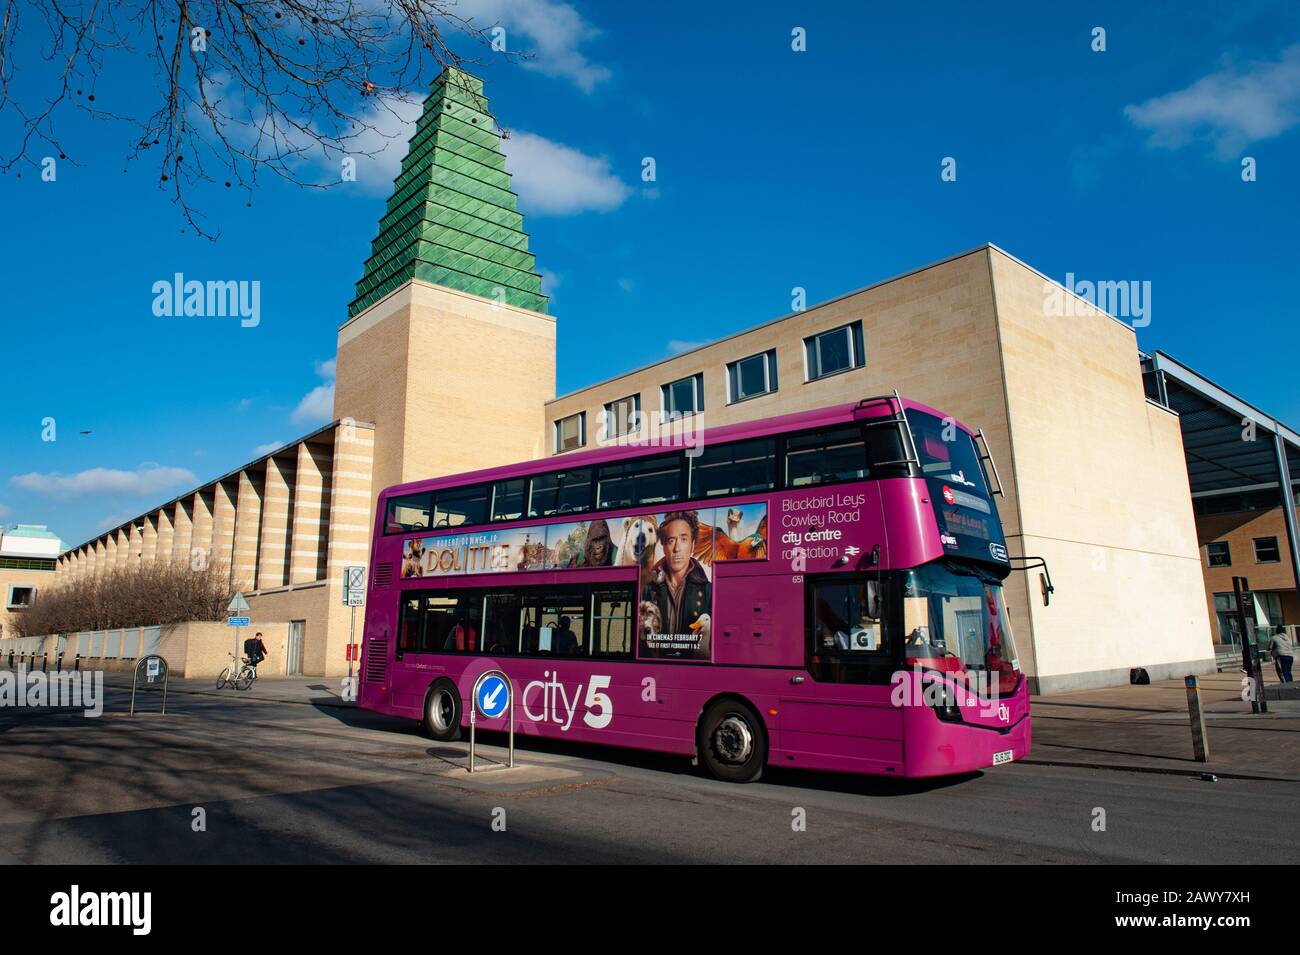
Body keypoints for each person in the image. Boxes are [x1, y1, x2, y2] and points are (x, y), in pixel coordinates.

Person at [640, 511, 712, 659]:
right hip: (654, 668)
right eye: (671, 540)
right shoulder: (647, 589)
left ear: (692, 544)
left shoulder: (708, 591)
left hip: (693, 671)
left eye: (684, 539)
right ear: (664, 546)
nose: (677, 548)